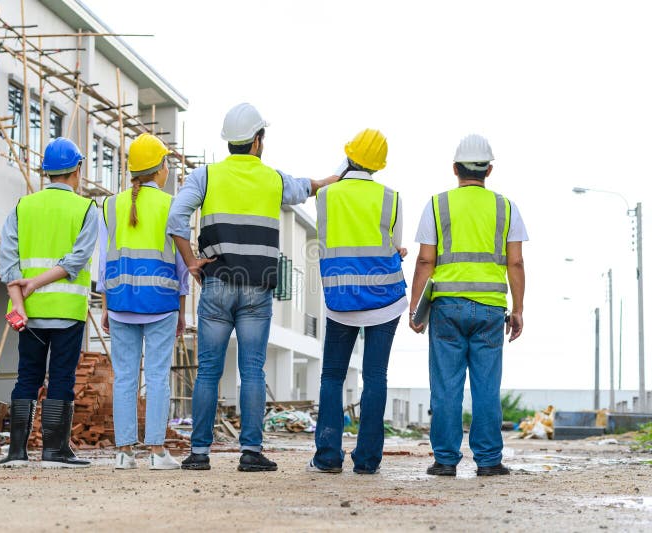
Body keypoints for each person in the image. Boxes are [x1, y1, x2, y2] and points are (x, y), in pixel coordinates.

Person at [167, 103, 339, 472]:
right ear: (257, 141)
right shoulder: (272, 179)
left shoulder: (206, 176)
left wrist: (192, 261)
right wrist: (333, 179)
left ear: (229, 142)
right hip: (257, 289)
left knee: (209, 371)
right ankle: (250, 451)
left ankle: (199, 453)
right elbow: (306, 188)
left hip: (216, 285)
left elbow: (175, 219)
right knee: (253, 371)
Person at [409, 134, 527, 477]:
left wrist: (417, 308)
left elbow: (424, 261)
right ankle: (489, 461)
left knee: (445, 386)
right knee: (486, 386)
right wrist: (518, 309)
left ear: (455, 168)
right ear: (489, 169)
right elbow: (516, 263)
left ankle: (445, 460)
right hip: (491, 309)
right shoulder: (506, 207)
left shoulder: (437, 204)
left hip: (446, 307)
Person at [307, 129, 408, 475]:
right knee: (375, 375)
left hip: (342, 297)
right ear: (379, 165)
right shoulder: (391, 198)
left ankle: (328, 458)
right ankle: (367, 462)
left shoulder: (326, 196)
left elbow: (326, 238)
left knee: (332, 376)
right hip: (385, 297)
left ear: (348, 155)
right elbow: (394, 245)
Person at [0, 137, 98, 468]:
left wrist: (20, 302)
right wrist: (37, 284)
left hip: (30, 314)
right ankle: (55, 451)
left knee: (27, 376)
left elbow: (9, 263)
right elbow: (76, 260)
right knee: (61, 379)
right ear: (77, 170)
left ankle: (16, 453)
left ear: (46, 172)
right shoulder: (86, 209)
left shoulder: (22, 207)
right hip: (67, 313)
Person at [98, 133, 188, 470]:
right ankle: (156, 452)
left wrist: (106, 305)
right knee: (158, 376)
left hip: (121, 301)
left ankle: (123, 453)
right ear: (161, 168)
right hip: (162, 302)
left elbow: (103, 263)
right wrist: (181, 309)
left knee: (124, 377)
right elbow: (181, 263)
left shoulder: (110, 205)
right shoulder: (172, 205)